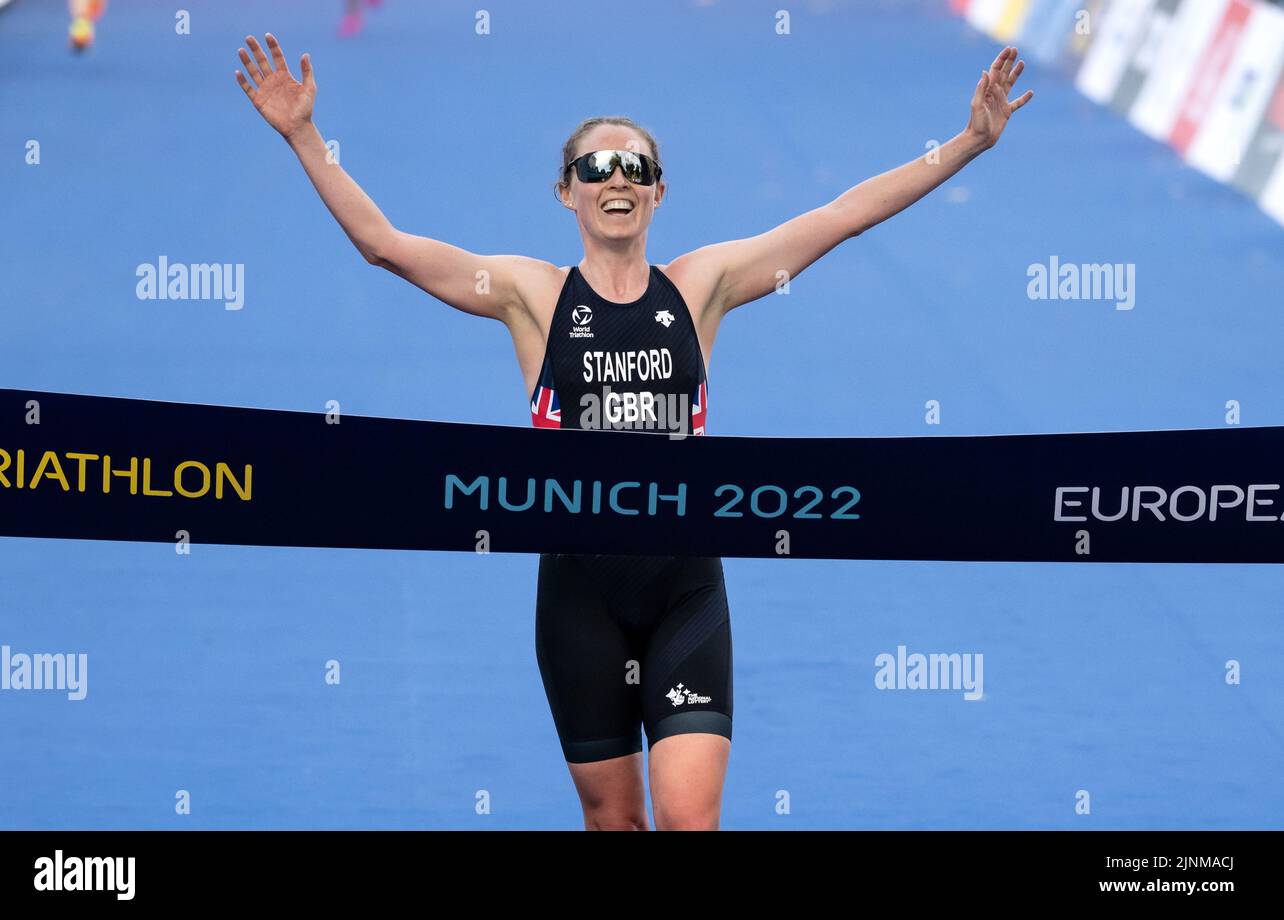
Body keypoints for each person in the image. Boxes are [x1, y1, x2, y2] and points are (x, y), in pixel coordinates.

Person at [234, 32, 1033, 830]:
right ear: (566, 192)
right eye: (596, 168)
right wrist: (305, 136)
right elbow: (385, 247)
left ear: (659, 192)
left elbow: (842, 216)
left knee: (689, 819)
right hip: (579, 596)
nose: (616, 179)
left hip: (685, 586)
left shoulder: (703, 286)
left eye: (636, 168)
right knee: (615, 823)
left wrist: (966, 143)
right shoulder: (528, 295)